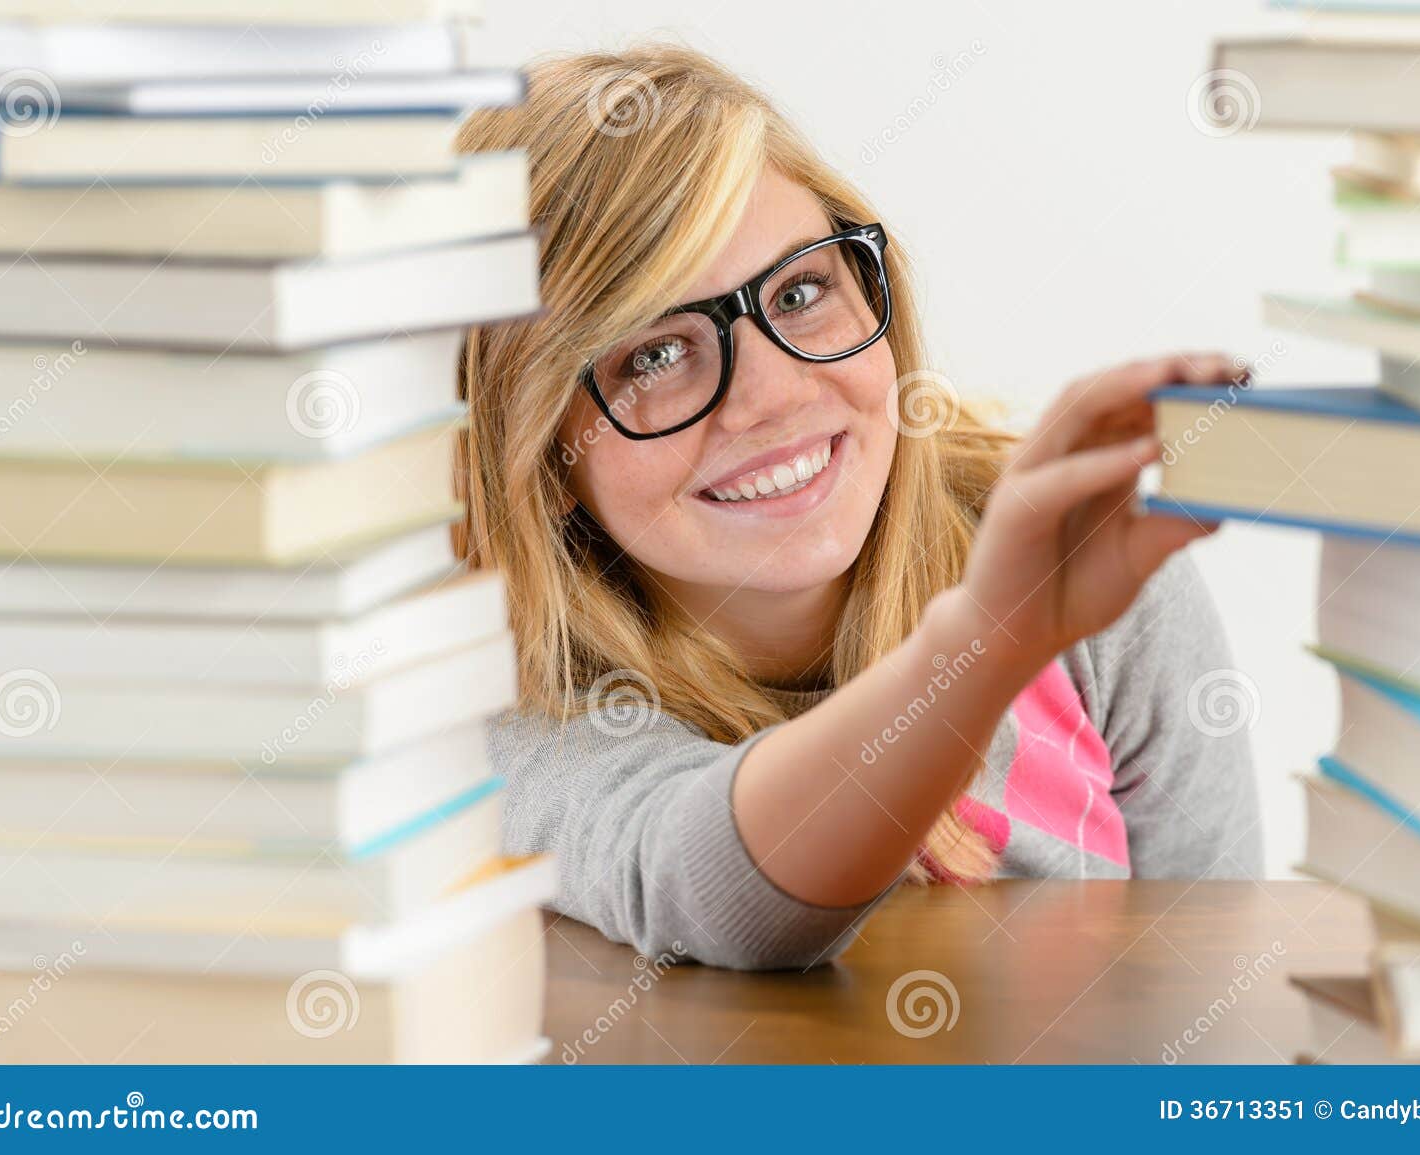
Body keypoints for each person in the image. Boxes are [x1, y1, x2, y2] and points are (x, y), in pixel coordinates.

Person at [458, 45, 1261, 970]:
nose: (773, 394)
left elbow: (1217, 992)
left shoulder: (1086, 574)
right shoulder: (525, 695)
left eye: (800, 293)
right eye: (654, 355)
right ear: (540, 454)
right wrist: (987, 637)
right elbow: (712, 894)